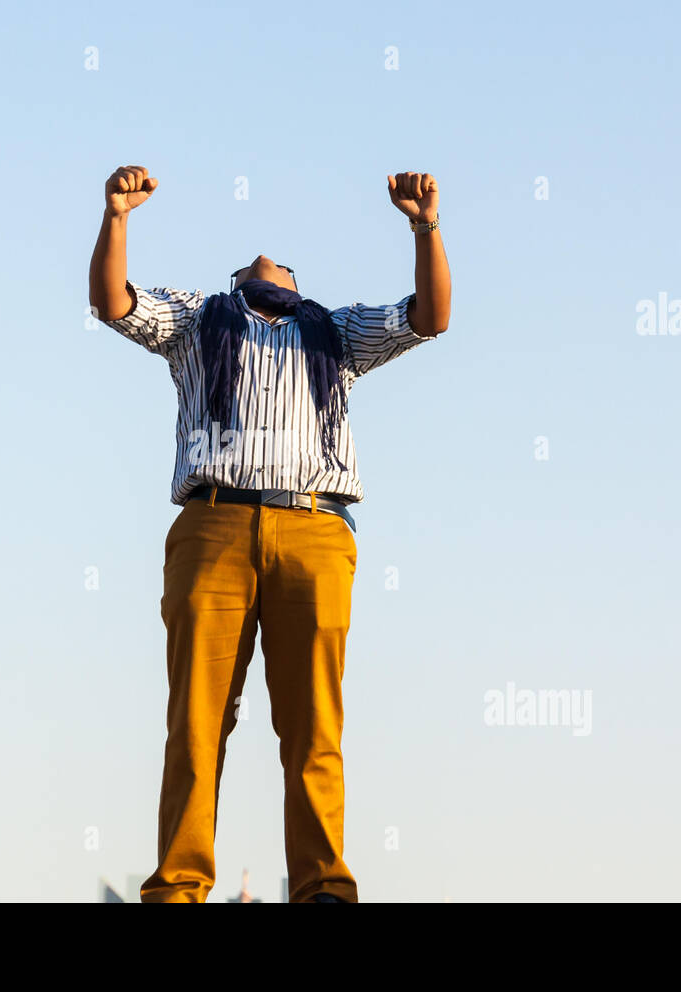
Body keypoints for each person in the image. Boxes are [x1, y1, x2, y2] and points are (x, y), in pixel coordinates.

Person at [87, 164, 452, 903]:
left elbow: (431, 316)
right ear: (236, 281)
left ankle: (322, 888)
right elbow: (112, 303)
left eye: (281, 261)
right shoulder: (200, 320)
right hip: (214, 521)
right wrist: (117, 217)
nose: (266, 254)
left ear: (295, 282)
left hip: (314, 524)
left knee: (313, 726)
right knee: (196, 720)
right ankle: (180, 885)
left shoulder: (334, 330)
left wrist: (424, 226)